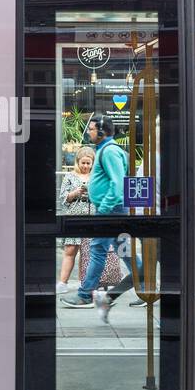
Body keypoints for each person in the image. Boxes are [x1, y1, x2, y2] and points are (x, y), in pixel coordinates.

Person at [60, 115, 133, 322]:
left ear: (101, 132)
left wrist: (105, 209)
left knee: (98, 249)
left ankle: (85, 295)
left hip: (111, 211)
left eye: (91, 129)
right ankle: (145, 283)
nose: (89, 132)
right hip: (115, 210)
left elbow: (117, 184)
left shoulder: (109, 151)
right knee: (125, 252)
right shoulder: (108, 150)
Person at [56, 146, 94, 293]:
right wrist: (75, 193)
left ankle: (84, 283)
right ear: (77, 162)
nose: (85, 166)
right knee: (70, 250)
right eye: (83, 163)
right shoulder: (70, 176)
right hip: (74, 216)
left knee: (88, 253)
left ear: (92, 163)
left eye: (88, 163)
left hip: (92, 216)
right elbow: (63, 198)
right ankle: (63, 282)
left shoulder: (96, 177)